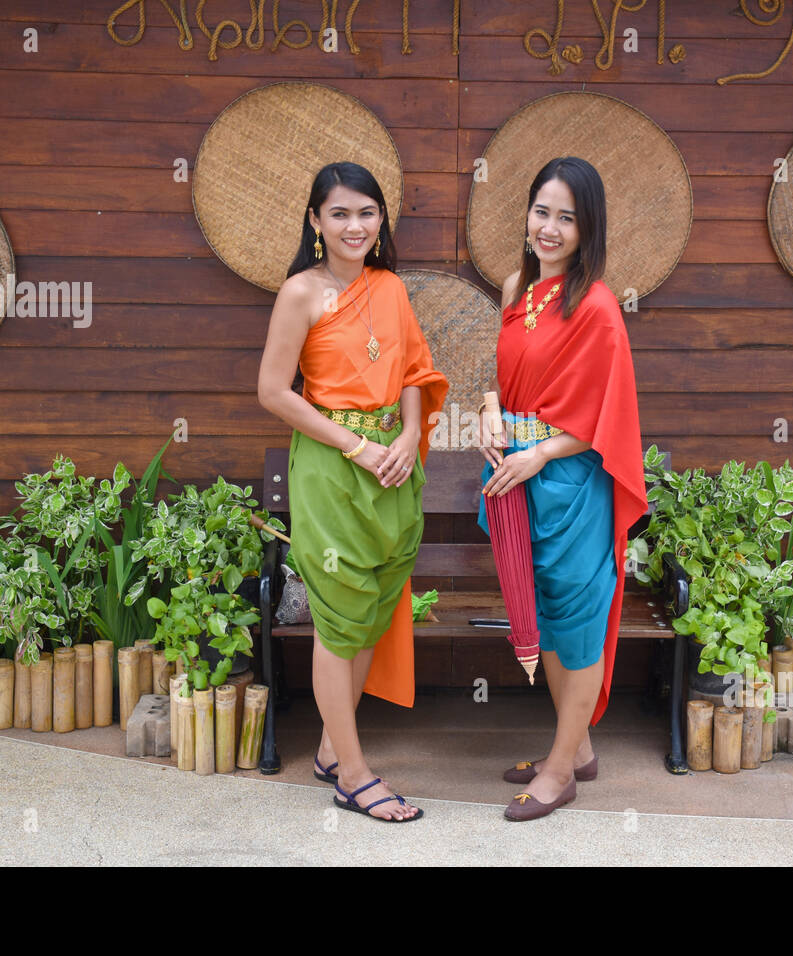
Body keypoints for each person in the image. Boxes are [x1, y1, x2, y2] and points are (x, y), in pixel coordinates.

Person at [257, 162, 448, 822]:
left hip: (390, 473)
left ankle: (330, 750)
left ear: (381, 220)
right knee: (339, 624)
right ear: (315, 221)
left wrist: (408, 434)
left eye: (366, 213)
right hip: (335, 473)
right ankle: (354, 775)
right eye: (339, 213)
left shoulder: (390, 287)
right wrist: (358, 446)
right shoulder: (301, 294)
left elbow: (416, 371)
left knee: (368, 613)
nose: (354, 225)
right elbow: (274, 391)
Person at [478, 156, 647, 821]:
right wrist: (491, 410)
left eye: (566, 218)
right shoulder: (516, 284)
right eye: (541, 212)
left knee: (575, 621)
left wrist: (539, 452)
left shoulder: (598, 307)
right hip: (518, 477)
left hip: (569, 484)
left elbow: (608, 412)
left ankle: (560, 770)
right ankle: (575, 748)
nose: (549, 228)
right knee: (545, 615)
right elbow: (504, 369)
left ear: (587, 229)